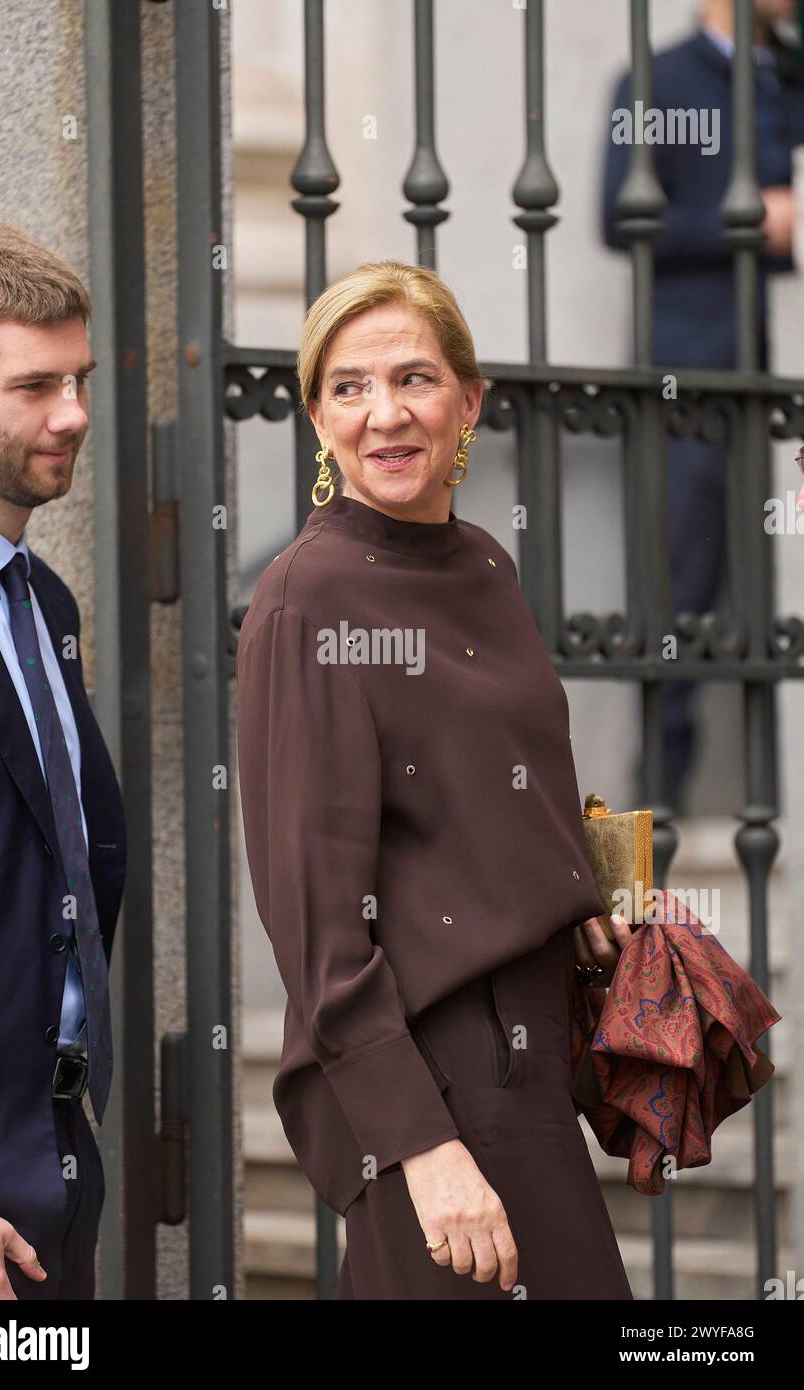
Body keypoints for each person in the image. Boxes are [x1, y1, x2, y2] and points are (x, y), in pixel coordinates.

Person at [236, 260, 635, 1300]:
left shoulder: (482, 567)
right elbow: (316, 927)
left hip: (530, 1055)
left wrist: (579, 899)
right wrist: (422, 1147)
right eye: (349, 387)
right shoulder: (304, 602)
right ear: (316, 418)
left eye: (413, 377)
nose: (384, 414)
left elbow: (494, 785)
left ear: (470, 399)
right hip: (430, 1079)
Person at [0, 220, 125, 1300]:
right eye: (37, 385)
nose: (75, 416)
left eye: (83, 380)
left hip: (53, 1150)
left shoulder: (42, 600)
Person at [601, 0, 804, 813]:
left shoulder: (788, 74)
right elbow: (622, 215)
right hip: (691, 382)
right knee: (677, 589)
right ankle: (654, 829)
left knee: (780, 594)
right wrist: (756, 220)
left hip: (784, 378)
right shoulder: (659, 80)